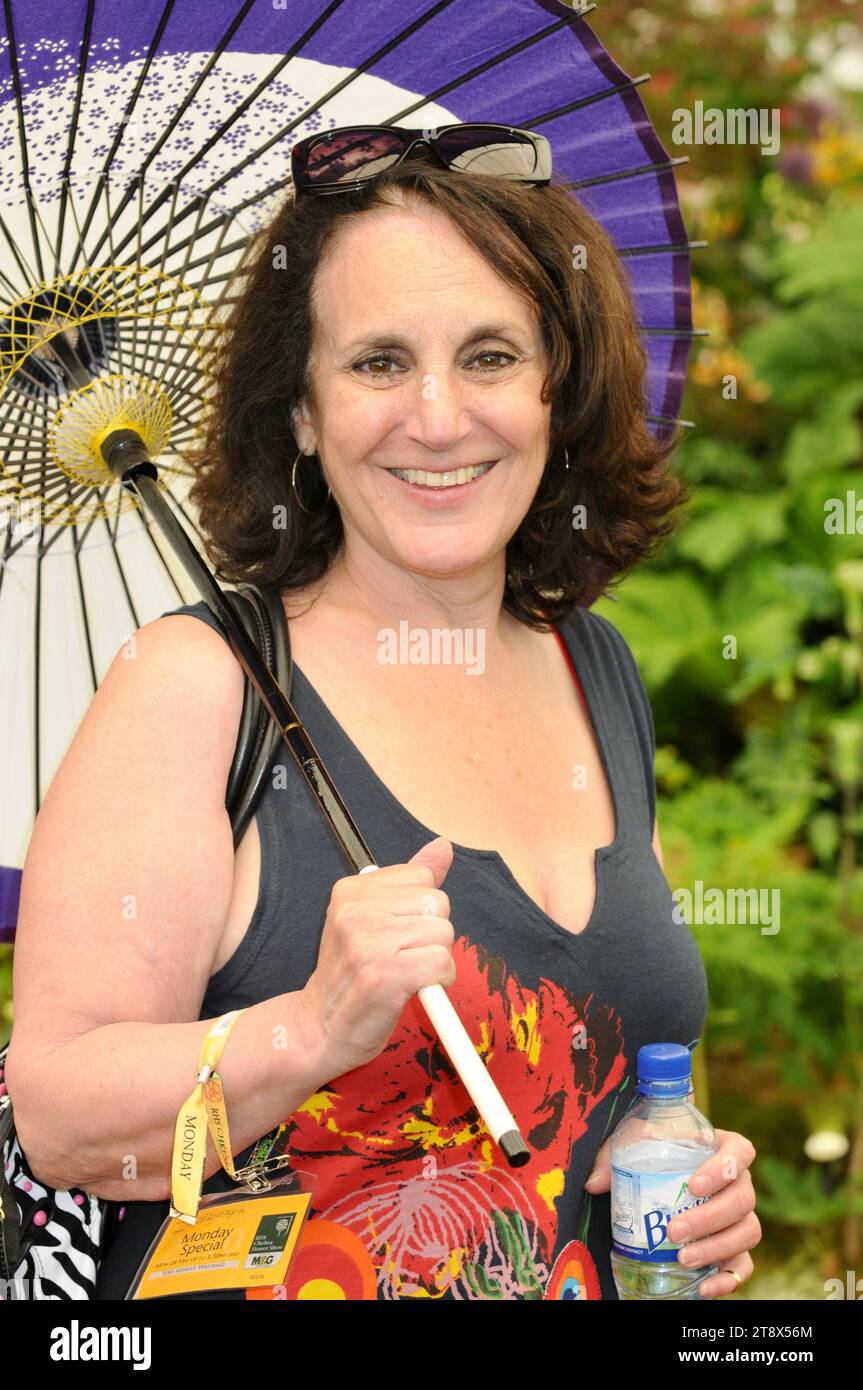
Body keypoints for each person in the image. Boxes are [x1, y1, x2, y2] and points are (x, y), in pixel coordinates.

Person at [6, 125, 760, 1301]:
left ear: (557, 391)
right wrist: (306, 1028)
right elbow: (59, 1118)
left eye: (490, 356)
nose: (439, 417)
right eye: (376, 363)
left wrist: (679, 1165)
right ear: (300, 410)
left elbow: (601, 1045)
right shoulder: (198, 685)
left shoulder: (594, 669)